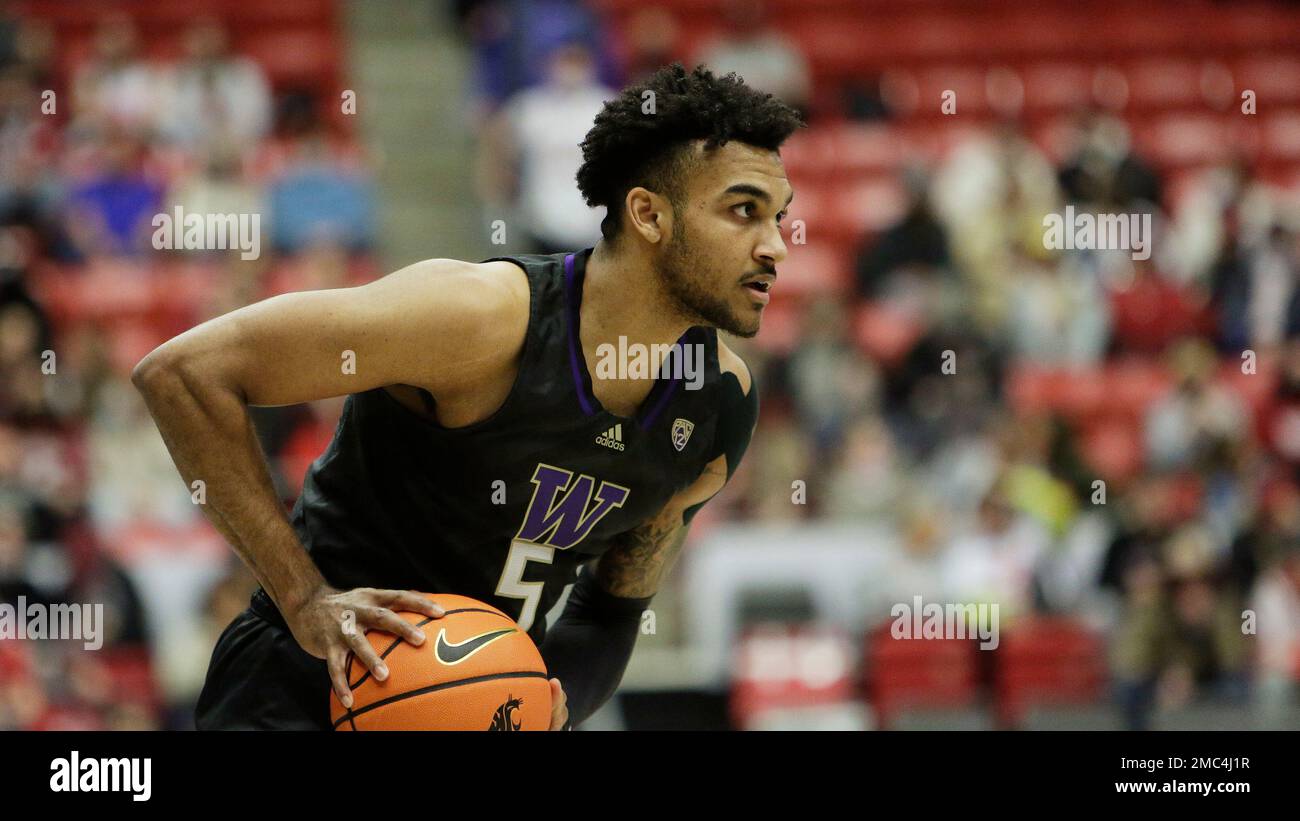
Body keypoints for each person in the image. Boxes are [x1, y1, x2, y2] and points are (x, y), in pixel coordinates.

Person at [132, 63, 802, 730]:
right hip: (309, 693)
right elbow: (185, 373)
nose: (775, 245)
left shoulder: (716, 407)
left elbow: (610, 609)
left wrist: (545, 702)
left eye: (779, 217)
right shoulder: (477, 319)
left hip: (475, 713)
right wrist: (304, 596)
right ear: (649, 214)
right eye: (744, 211)